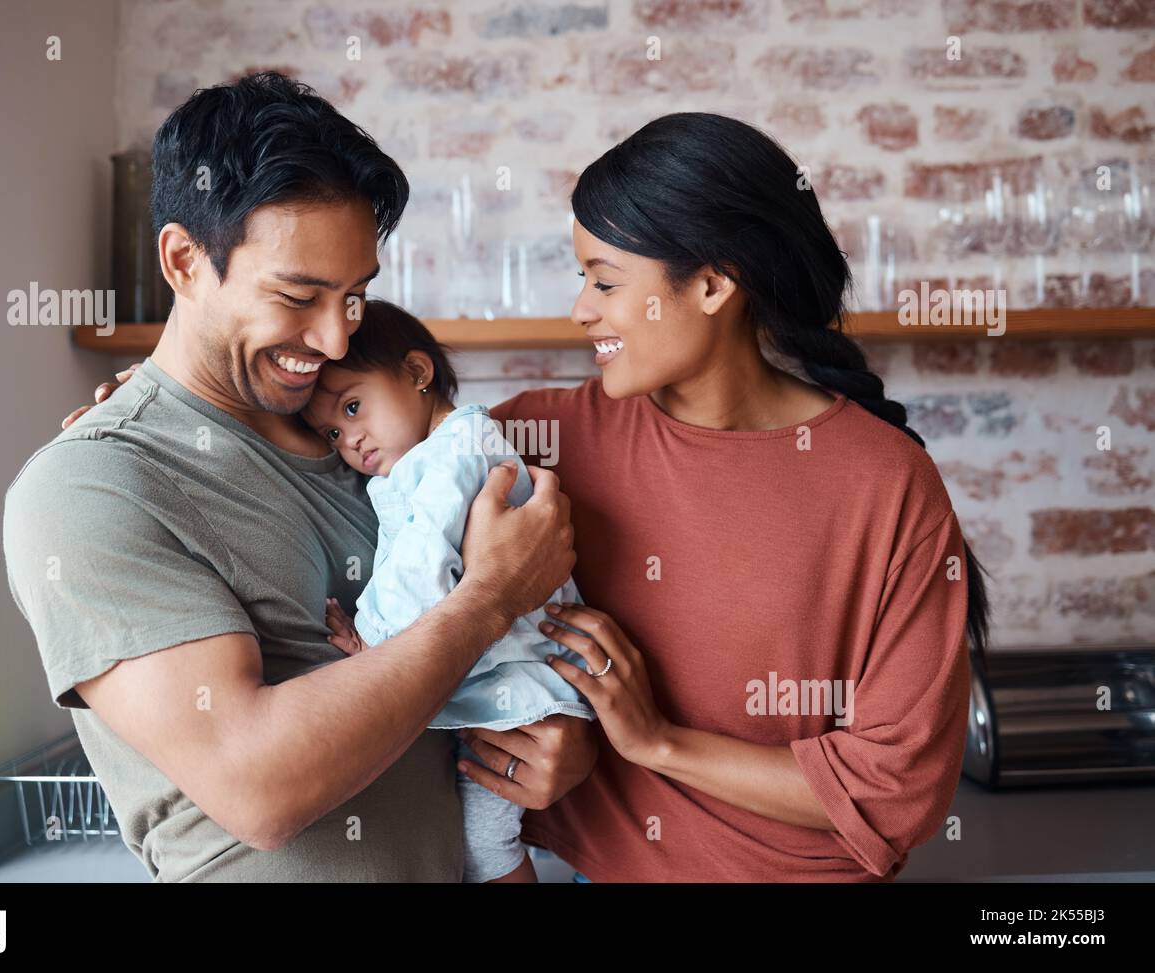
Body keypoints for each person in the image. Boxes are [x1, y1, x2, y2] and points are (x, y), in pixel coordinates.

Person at [63, 102, 992, 882]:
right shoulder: (527, 445)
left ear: (713, 284)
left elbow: (894, 793)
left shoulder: (882, 481)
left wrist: (652, 741)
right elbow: (352, 447)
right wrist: (136, 424)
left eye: (603, 280)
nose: (580, 309)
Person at [3, 72, 597, 882]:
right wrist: (489, 599)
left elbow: (465, 678)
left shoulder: (360, 436)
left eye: (355, 297)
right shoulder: (91, 486)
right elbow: (260, 785)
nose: (329, 338)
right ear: (183, 259)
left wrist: (561, 739)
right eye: (298, 294)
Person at [301, 299, 598, 883]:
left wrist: (373, 647)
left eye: (354, 406)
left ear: (417, 373)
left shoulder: (459, 451)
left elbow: (423, 564)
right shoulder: (418, 463)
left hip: (523, 689)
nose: (350, 439)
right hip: (500, 682)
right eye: (333, 431)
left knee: (484, 846)